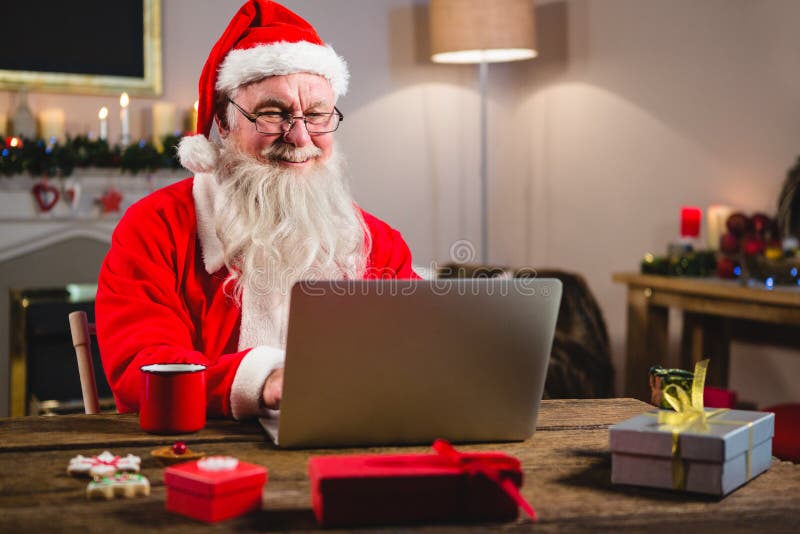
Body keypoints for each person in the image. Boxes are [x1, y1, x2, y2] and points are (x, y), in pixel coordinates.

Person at [95, 0, 418, 420]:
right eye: (273, 114)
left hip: (348, 451)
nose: (300, 137)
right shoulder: (154, 228)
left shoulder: (379, 243)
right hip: (199, 460)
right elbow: (146, 365)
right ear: (225, 123)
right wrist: (266, 380)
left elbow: (413, 356)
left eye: (317, 115)